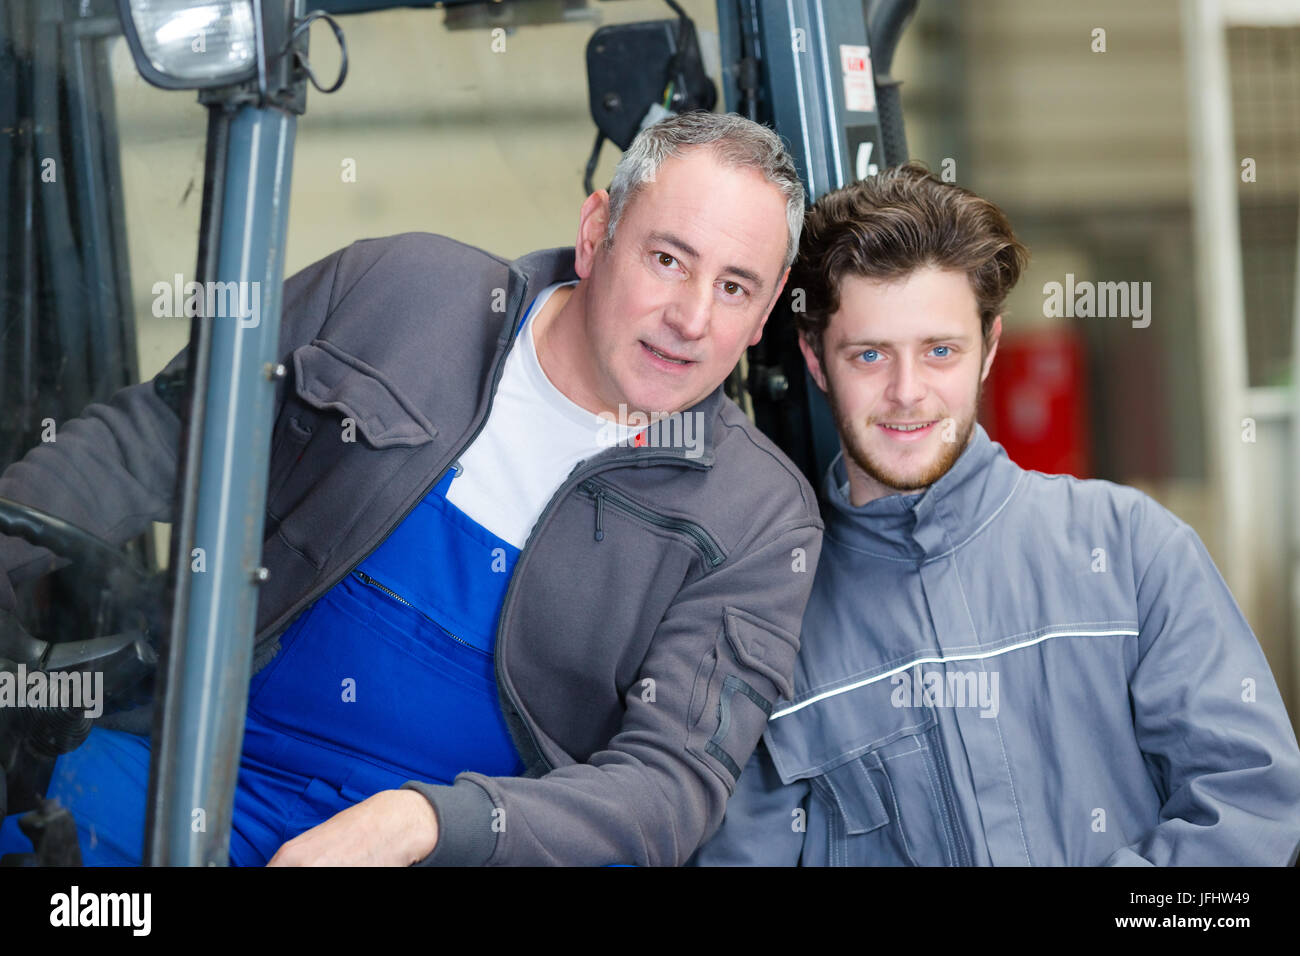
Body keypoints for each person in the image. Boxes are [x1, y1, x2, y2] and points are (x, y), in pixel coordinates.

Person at [0, 111, 823, 866]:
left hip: (464, 844)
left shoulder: (757, 517)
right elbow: (158, 439)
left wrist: (419, 823)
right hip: (193, 761)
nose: (691, 318)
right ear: (596, 232)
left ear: (760, 321)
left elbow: (667, 789)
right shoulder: (395, 293)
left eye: (734, 287)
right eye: (668, 258)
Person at [692, 161, 1300, 866]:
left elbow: (1250, 806)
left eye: (940, 351)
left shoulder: (1132, 551)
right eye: (869, 355)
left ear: (989, 351)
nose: (907, 392)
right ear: (817, 362)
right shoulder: (771, 623)